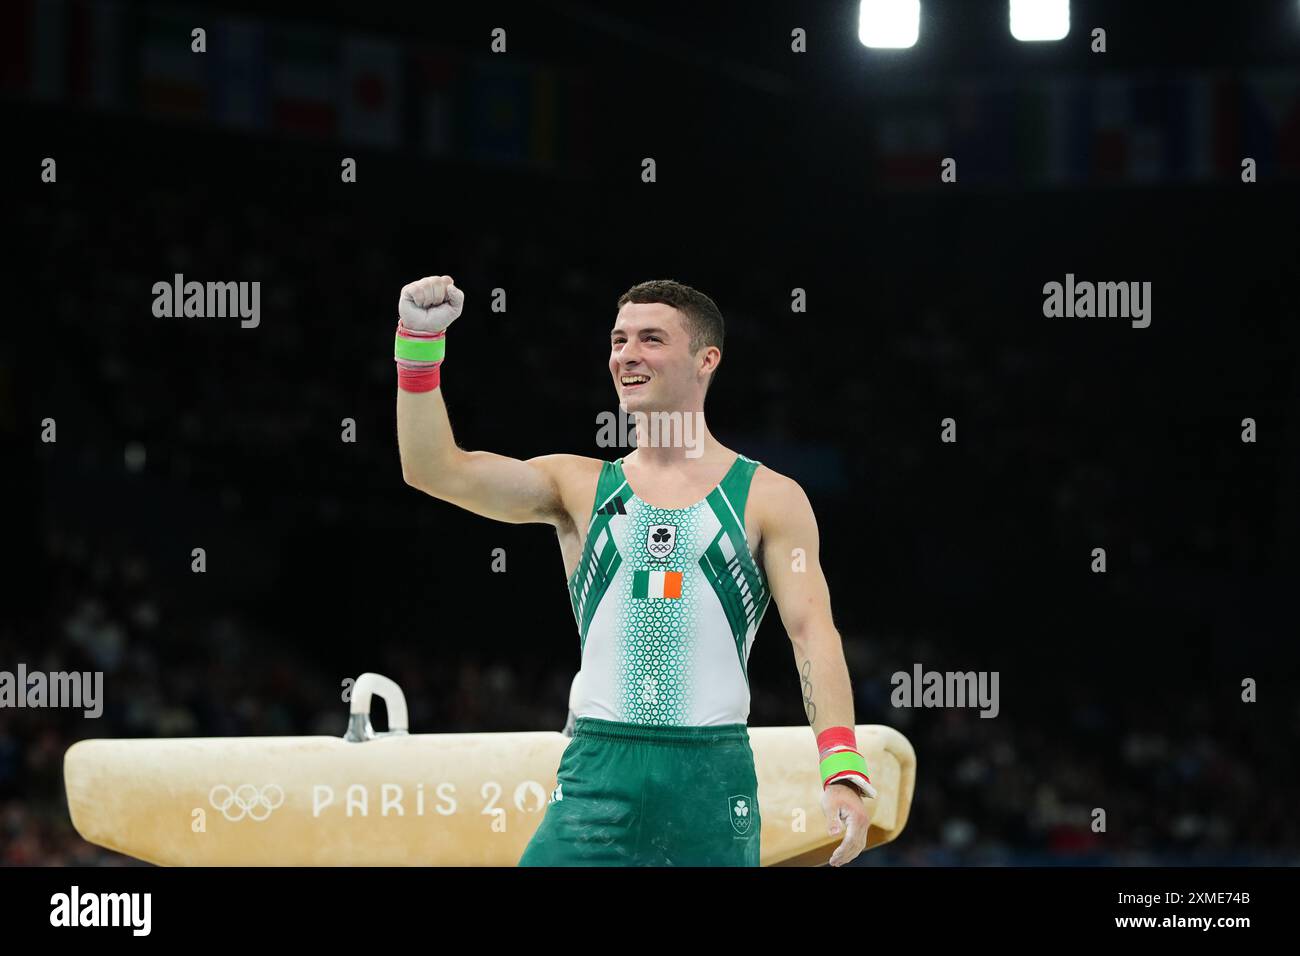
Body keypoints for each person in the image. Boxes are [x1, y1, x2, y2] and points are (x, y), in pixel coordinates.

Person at [395, 275, 876, 866]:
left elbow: (811, 632)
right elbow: (433, 470)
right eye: (619, 340)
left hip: (710, 779)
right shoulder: (576, 487)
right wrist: (418, 345)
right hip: (597, 776)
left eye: (651, 339)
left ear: (707, 360)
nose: (627, 354)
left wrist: (842, 765)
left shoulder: (769, 498)